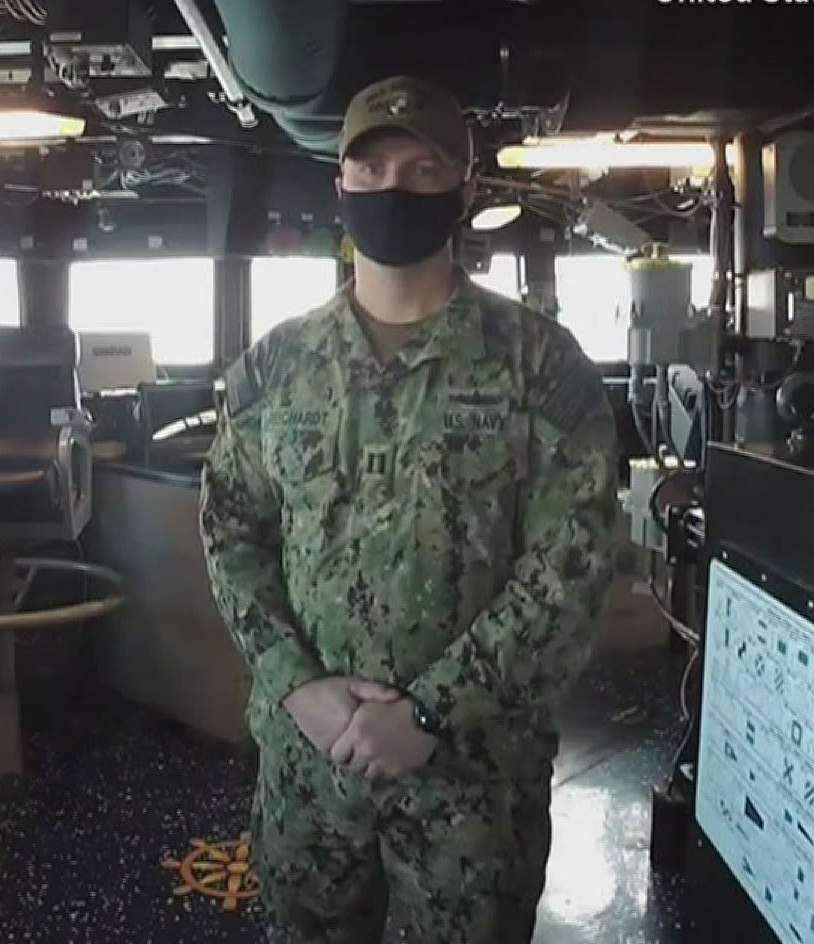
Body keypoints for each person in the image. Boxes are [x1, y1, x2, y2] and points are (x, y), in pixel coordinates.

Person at [200, 75, 623, 943]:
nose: (394, 188)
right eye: (373, 169)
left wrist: (429, 712)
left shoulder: (540, 367)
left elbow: (570, 572)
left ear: (464, 192)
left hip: (475, 785)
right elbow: (231, 534)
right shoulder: (275, 368)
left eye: (423, 170)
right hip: (311, 775)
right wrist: (295, 686)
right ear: (341, 186)